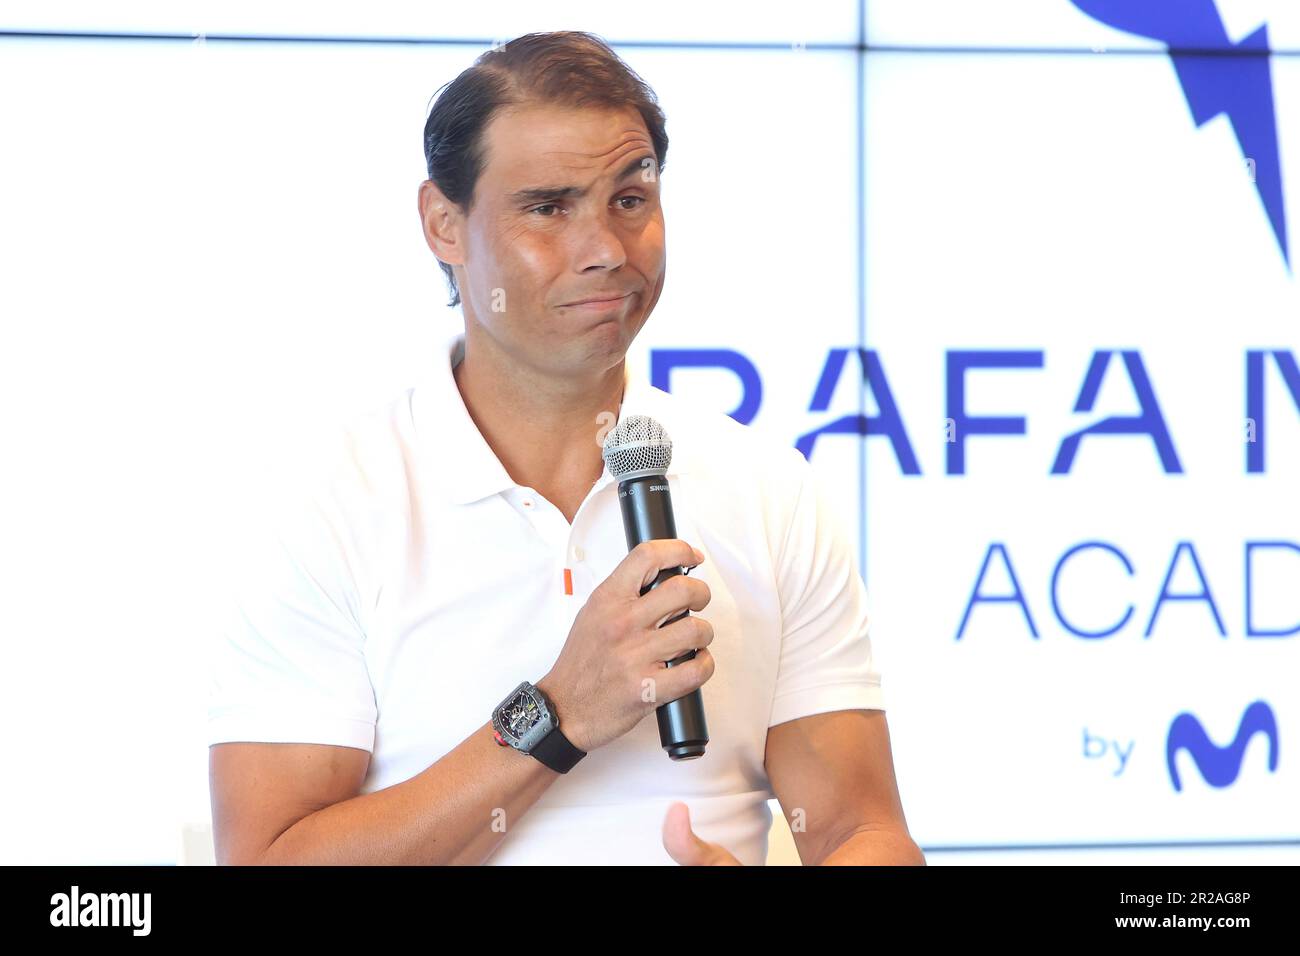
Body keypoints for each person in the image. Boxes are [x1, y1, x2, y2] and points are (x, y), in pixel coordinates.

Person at [207, 30, 924, 866]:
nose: (607, 252)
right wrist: (557, 713)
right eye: (549, 207)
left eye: (630, 199)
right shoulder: (330, 505)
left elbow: (861, 830)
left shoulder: (769, 491)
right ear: (444, 224)